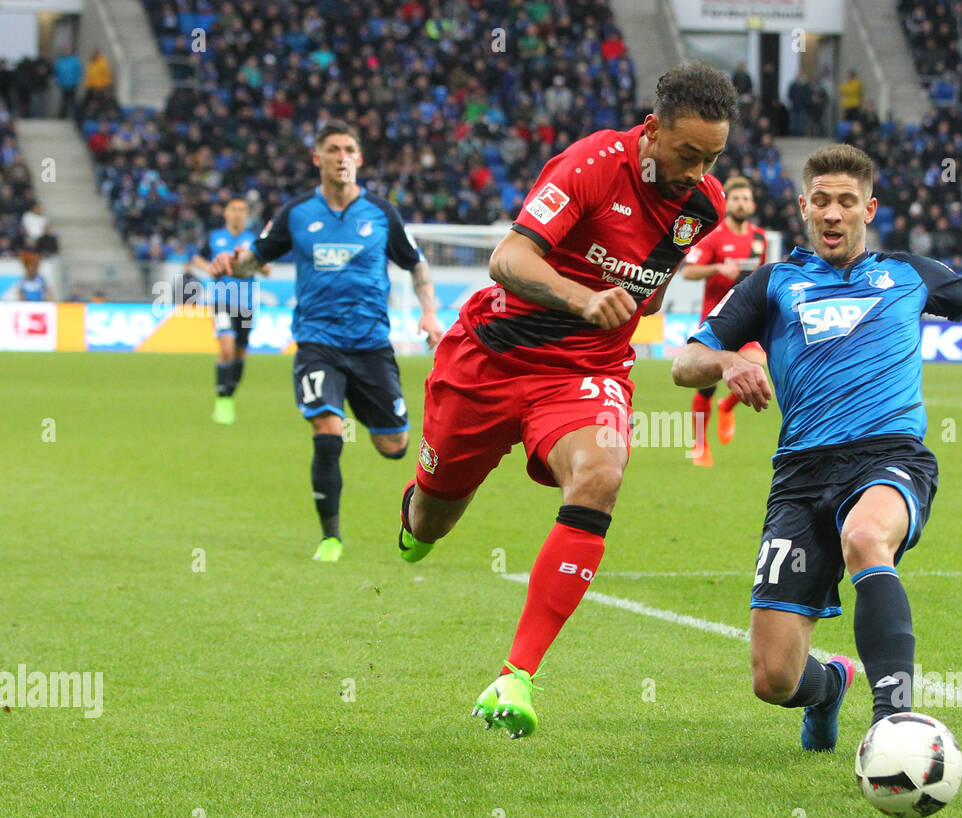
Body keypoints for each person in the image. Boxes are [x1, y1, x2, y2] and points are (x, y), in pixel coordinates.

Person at [672, 144, 962, 752]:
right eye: (822, 202)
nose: (833, 214)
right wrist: (729, 360)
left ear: (869, 207)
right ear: (804, 206)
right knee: (774, 678)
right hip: (801, 474)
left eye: (846, 202)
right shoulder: (774, 283)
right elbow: (685, 362)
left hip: (888, 455)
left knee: (866, 537)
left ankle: (894, 726)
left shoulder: (908, 274)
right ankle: (831, 685)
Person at [397, 62, 737, 739]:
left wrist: (632, 309)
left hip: (585, 370)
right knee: (432, 522)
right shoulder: (588, 164)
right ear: (652, 130)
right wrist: (585, 296)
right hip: (490, 360)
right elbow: (509, 259)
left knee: (601, 472)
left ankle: (515, 676)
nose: (697, 170)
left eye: (712, 158)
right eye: (687, 153)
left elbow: (655, 281)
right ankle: (416, 510)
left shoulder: (704, 205)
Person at [210, 119, 442, 561]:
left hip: (371, 344)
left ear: (359, 159)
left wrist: (429, 313)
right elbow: (252, 261)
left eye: (349, 150)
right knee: (327, 428)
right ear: (317, 158)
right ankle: (331, 538)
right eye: (333, 149)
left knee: (394, 447)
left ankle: (356, 401)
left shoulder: (381, 213)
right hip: (317, 341)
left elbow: (416, 264)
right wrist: (231, 263)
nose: (342, 157)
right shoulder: (296, 214)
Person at [680, 175, 767, 465]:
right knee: (706, 385)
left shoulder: (759, 238)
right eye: (737, 198)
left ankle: (727, 406)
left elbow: (761, 276)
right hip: (715, 320)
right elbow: (688, 272)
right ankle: (700, 445)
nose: (742, 203)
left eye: (746, 198)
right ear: (729, 203)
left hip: (748, 319)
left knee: (757, 364)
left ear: (752, 204)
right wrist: (718, 267)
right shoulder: (713, 236)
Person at [189, 197, 268, 424]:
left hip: (246, 304)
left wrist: (252, 262)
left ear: (246, 214)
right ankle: (222, 401)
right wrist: (211, 269)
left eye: (241, 210)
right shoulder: (215, 237)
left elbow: (267, 270)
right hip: (221, 301)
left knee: (241, 352)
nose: (237, 214)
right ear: (226, 213)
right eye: (233, 209)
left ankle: (230, 397)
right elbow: (197, 258)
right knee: (227, 348)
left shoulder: (253, 241)